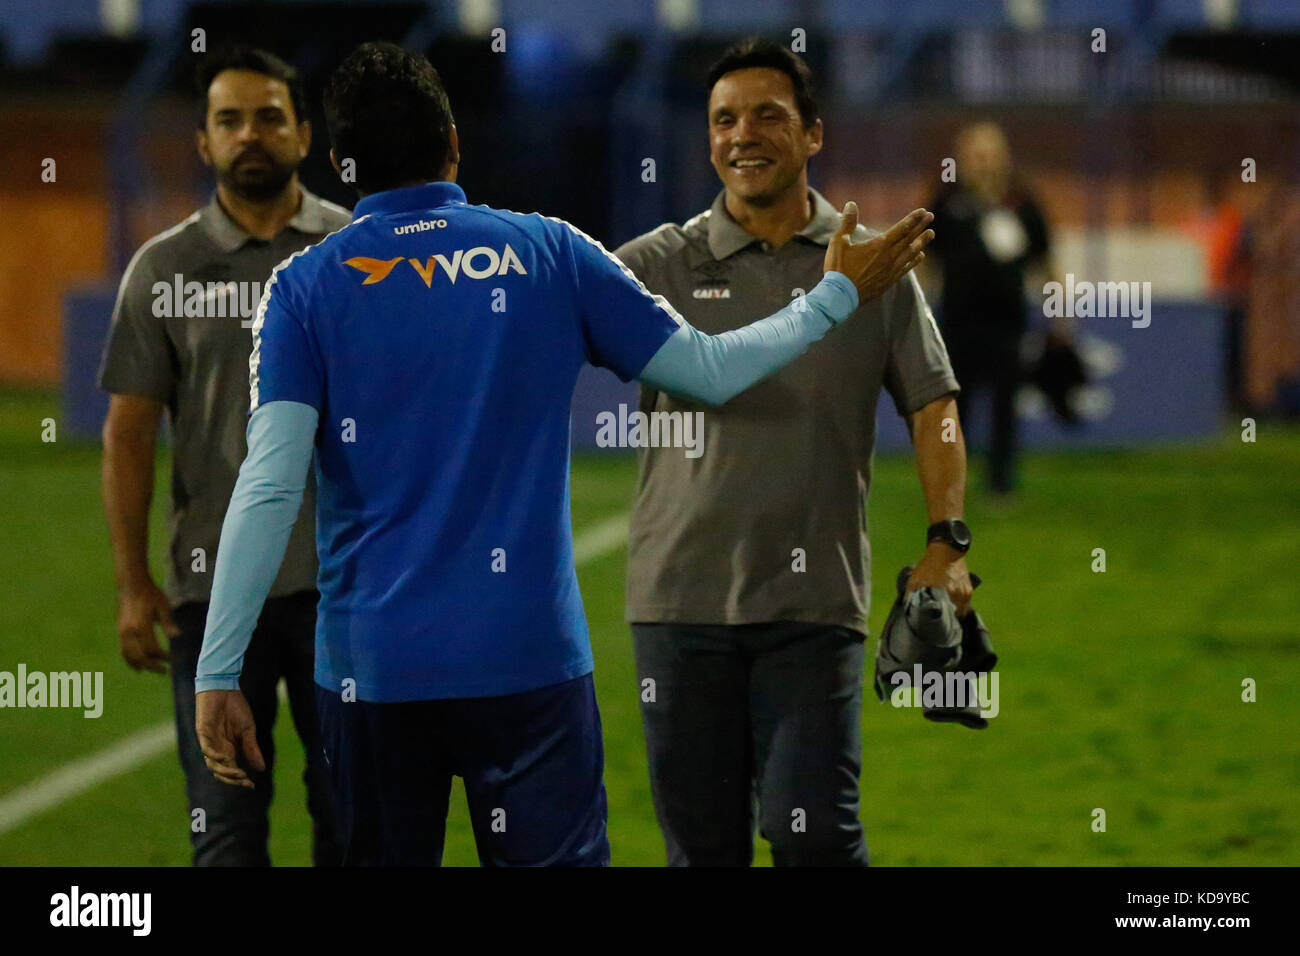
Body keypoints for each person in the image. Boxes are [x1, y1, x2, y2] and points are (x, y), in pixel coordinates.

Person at [192, 41, 933, 867]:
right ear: (454, 145)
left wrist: (219, 668)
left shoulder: (303, 289)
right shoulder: (547, 253)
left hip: (374, 670)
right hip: (529, 662)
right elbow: (710, 372)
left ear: (338, 161)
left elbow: (267, 488)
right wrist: (833, 296)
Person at [613, 38, 972, 867]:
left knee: (812, 835)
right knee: (702, 851)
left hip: (813, 607)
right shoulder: (653, 265)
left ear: (814, 134)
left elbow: (933, 406)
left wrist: (946, 543)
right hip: (677, 605)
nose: (744, 134)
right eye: (724, 119)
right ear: (708, 141)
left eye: (768, 115)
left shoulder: (876, 267)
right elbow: (534, 339)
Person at [98, 46, 348, 865]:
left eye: (269, 117)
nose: (251, 135)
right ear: (203, 144)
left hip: (342, 587)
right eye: (229, 120)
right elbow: (129, 433)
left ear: (304, 134)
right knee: (226, 831)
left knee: (355, 822)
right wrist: (136, 585)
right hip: (209, 595)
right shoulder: (162, 269)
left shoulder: (355, 253)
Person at [928, 121, 1050, 496]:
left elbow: (1044, 259)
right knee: (954, 410)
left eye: (988, 154)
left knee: (1005, 407)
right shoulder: (947, 200)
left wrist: (1059, 312)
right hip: (958, 323)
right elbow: (925, 256)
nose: (981, 162)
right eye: (974, 155)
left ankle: (1001, 485)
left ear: (1003, 158)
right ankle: (951, 485)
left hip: (1007, 322)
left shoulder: (1022, 202)